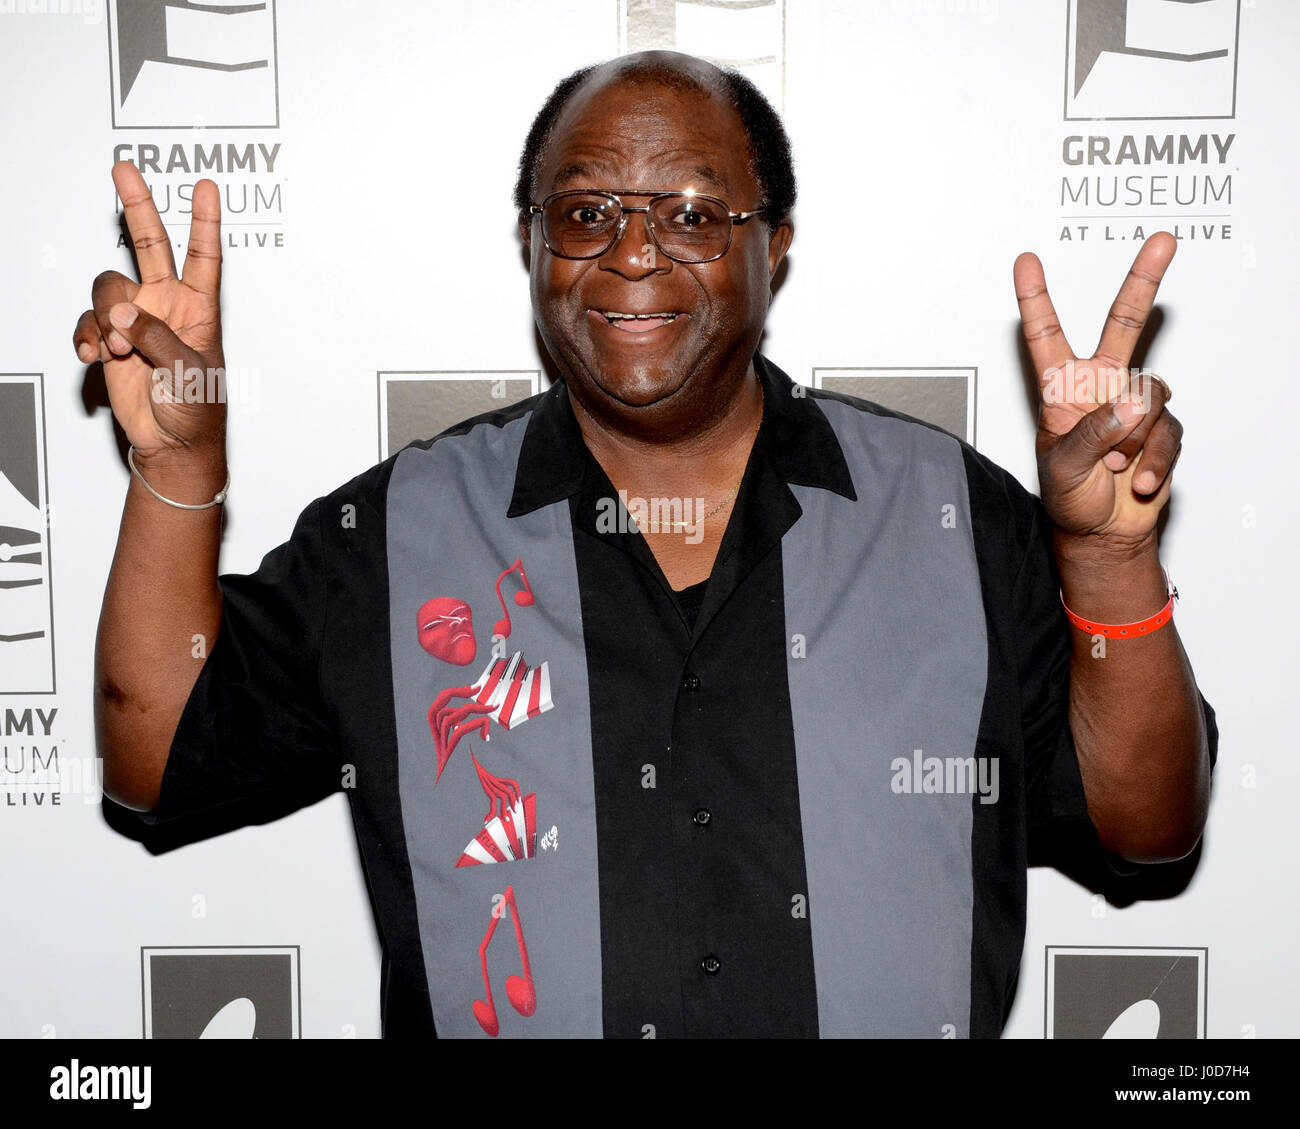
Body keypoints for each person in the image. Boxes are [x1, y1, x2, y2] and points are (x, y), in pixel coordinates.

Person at [75, 51, 1215, 1038]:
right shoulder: (394, 535)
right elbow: (156, 763)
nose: (631, 252)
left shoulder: (949, 518)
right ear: (532, 245)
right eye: (585, 213)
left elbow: (1149, 829)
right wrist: (176, 474)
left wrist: (1110, 563)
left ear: (775, 245)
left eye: (691, 213)